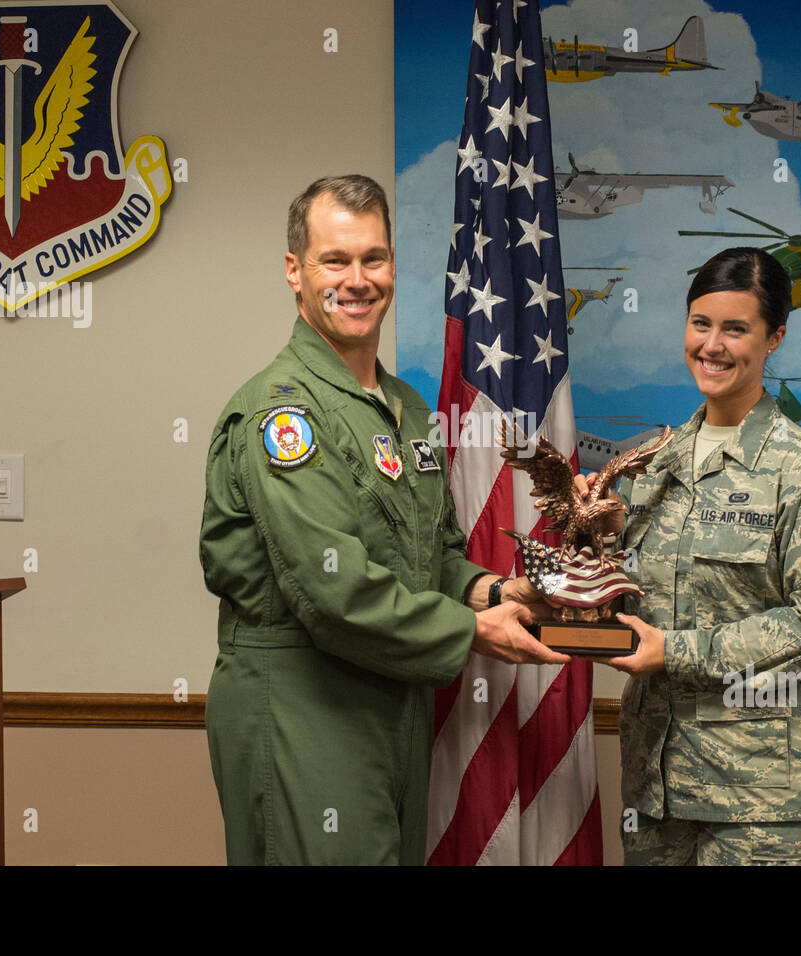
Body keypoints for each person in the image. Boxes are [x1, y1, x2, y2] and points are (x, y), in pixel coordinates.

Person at [198, 174, 566, 866]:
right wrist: (471, 631)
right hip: (304, 705)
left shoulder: (403, 407)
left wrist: (495, 593)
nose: (358, 280)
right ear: (294, 272)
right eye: (335, 260)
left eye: (374, 258)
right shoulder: (285, 416)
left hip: (390, 702)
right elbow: (333, 593)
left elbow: (437, 553)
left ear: (394, 265)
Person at [593, 246, 801, 865]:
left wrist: (680, 651)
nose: (712, 345)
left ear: (774, 338)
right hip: (658, 793)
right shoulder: (653, 465)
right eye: (700, 324)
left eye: (735, 329)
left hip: (767, 805)